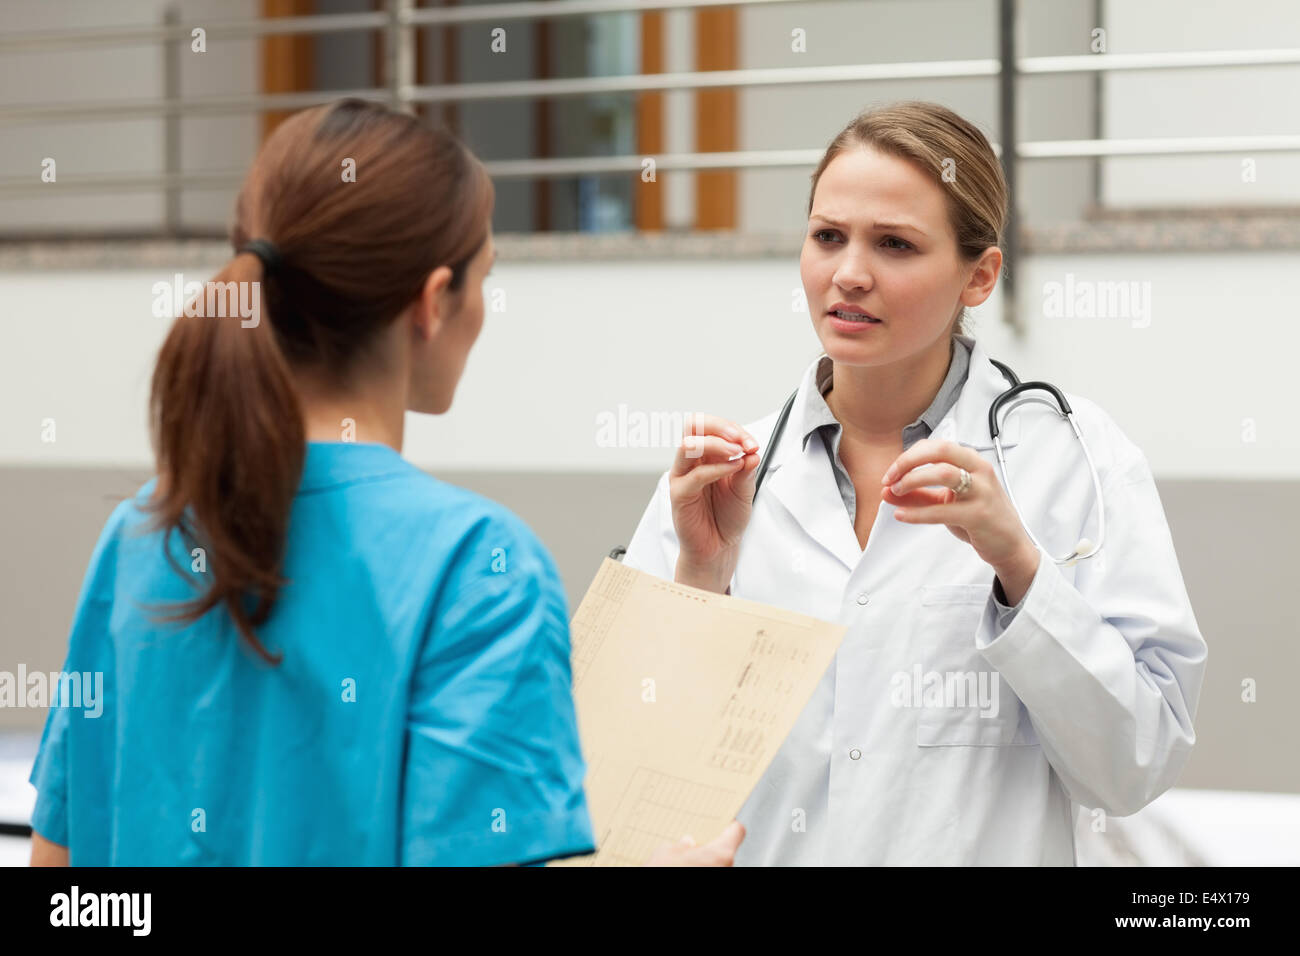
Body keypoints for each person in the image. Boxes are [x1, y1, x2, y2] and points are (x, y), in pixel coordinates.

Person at [28, 98, 742, 867]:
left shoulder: (141, 533)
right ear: (435, 303)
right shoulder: (476, 566)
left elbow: (62, 878)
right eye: (485, 280)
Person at [622, 100, 1208, 865]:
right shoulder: (723, 479)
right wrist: (702, 576)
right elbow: (636, 765)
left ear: (980, 275)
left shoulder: (1074, 461)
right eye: (828, 236)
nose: (849, 274)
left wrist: (1020, 571)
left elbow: (1137, 766)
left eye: (895, 244)